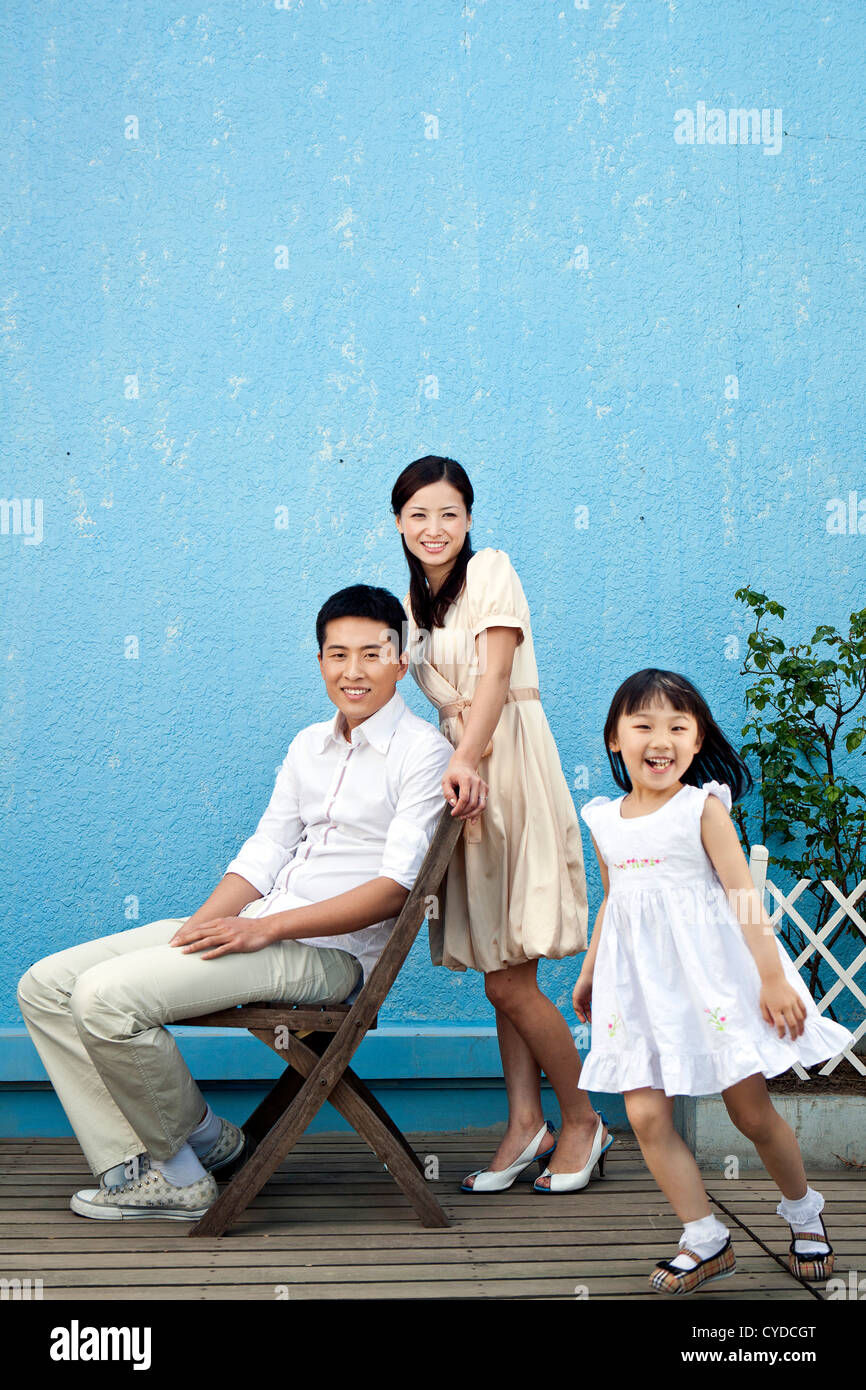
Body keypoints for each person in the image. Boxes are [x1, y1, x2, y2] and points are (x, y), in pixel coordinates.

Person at [17, 585, 453, 1220]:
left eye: (371, 653)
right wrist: (204, 923)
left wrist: (265, 929)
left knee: (105, 999)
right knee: (46, 986)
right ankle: (176, 1148)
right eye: (336, 654)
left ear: (401, 658)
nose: (352, 671)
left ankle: (180, 1175)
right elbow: (264, 849)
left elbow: (393, 892)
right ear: (320, 661)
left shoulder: (423, 753)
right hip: (258, 928)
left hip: (326, 958)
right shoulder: (309, 743)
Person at [573, 667, 855, 1293]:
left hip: (709, 982)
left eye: (678, 726)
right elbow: (615, 899)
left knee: (749, 1111)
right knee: (645, 1113)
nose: (661, 739)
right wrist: (591, 972)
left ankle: (805, 1213)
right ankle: (705, 1236)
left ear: (697, 742)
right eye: (643, 725)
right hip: (637, 986)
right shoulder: (604, 819)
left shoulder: (702, 808)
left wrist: (773, 978)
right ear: (615, 739)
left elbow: (743, 896)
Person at [392, 454, 611, 1192]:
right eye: (419, 514)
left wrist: (471, 757)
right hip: (466, 771)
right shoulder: (413, 604)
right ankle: (524, 1125)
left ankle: (582, 1118)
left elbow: (492, 679)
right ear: (398, 522)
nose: (434, 528)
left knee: (512, 978)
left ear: (470, 519)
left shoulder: (492, 571)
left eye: (449, 513)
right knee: (500, 966)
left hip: (506, 764)